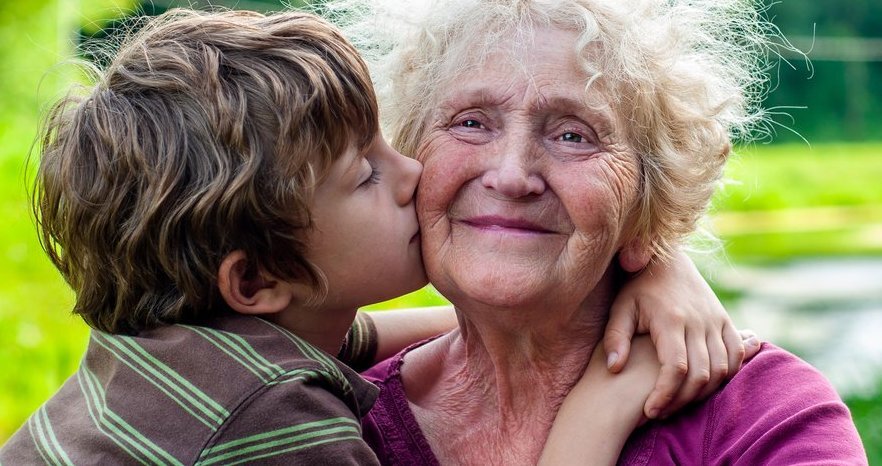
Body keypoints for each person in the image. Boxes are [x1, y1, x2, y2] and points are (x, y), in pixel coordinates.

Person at [0, 8, 755, 465]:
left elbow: (370, 336)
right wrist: (603, 405)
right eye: (364, 174)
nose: (413, 172)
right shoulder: (276, 422)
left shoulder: (196, 346)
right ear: (256, 282)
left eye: (571, 135)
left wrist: (642, 264)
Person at [326, 0, 870, 463]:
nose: (512, 175)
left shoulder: (764, 418)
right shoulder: (321, 416)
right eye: (471, 122)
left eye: (572, 135)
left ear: (649, 198)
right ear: (408, 163)